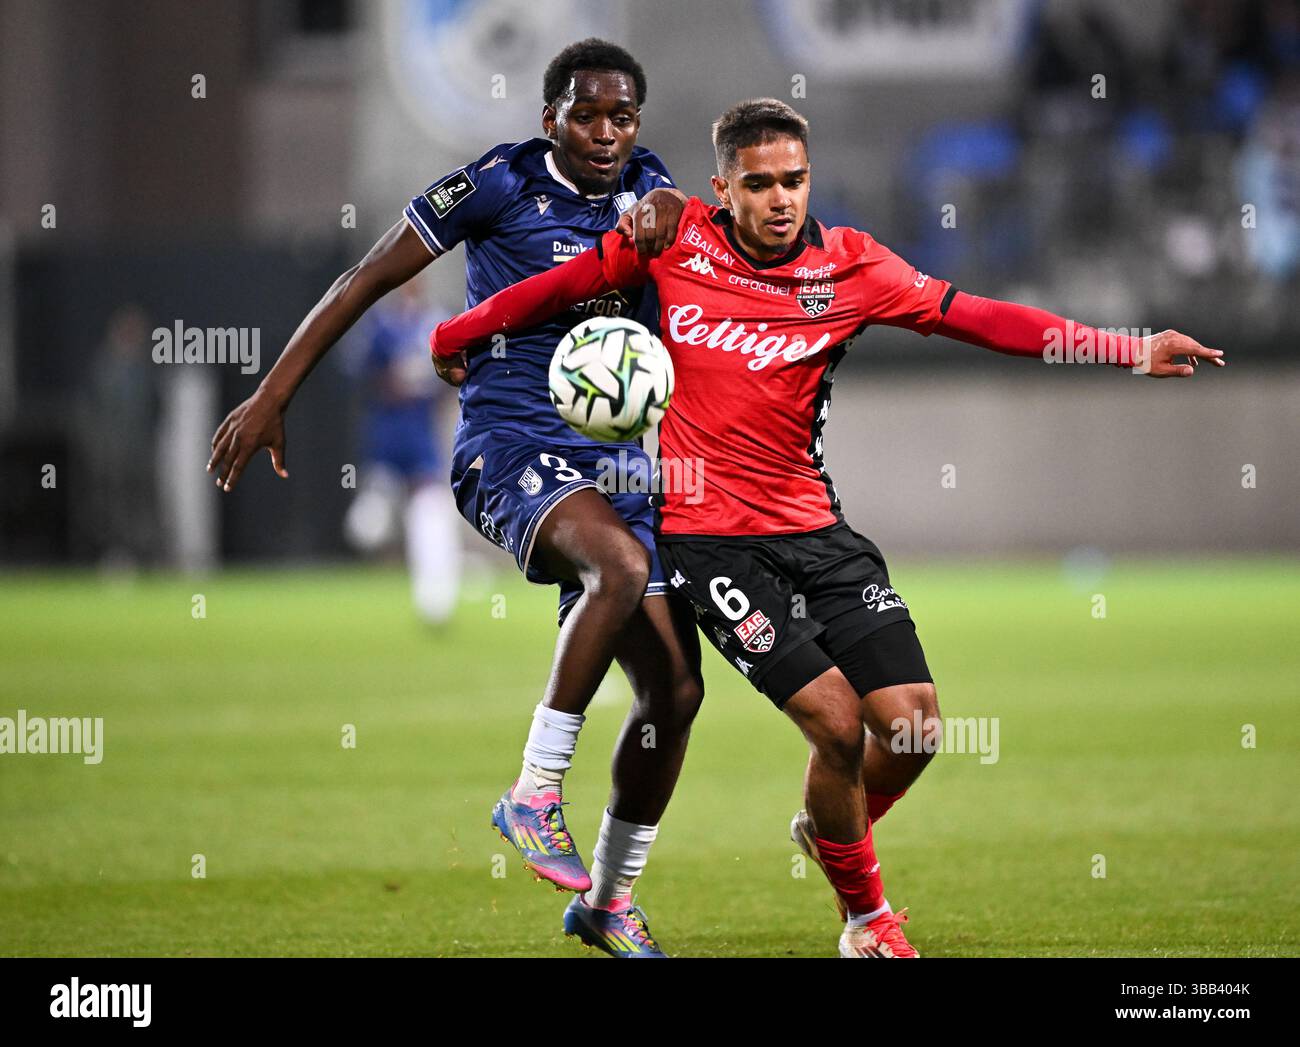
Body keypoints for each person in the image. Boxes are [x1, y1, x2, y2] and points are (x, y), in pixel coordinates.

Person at [429, 98, 1225, 958]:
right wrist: (462, 330)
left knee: (914, 726)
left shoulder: (855, 266)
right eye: (760, 183)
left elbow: (981, 317)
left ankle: (827, 827)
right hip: (711, 541)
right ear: (722, 187)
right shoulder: (672, 241)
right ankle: (865, 919)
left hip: (818, 529)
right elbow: (564, 285)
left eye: (795, 180)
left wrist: (1125, 347)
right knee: (839, 727)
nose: (781, 199)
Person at [208, 39, 703, 957]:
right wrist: (274, 392)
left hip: (621, 470)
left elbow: (674, 215)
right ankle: (534, 789)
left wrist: (674, 206)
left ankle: (607, 899)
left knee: (674, 693)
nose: (605, 133)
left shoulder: (646, 182)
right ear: (547, 116)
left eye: (622, 117)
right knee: (622, 567)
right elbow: (365, 279)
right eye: (586, 115)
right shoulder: (495, 183)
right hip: (508, 449)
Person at [342, 281, 460, 625]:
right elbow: (353, 368)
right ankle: (386, 543)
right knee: (368, 524)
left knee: (432, 516)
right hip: (385, 436)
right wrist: (386, 380)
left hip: (420, 435)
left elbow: (458, 371)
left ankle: (435, 601)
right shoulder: (380, 323)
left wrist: (439, 387)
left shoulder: (437, 321)